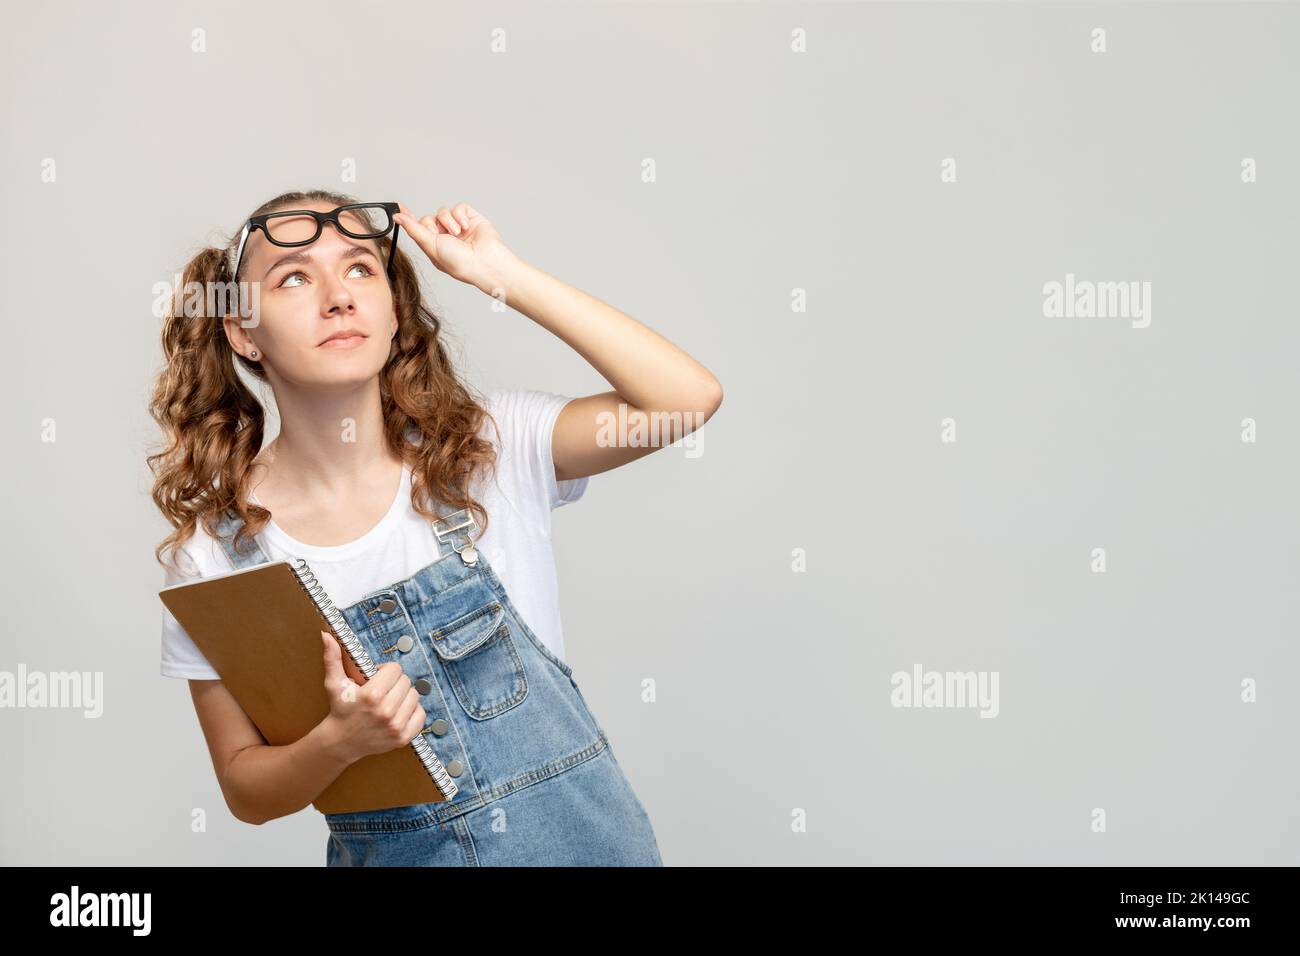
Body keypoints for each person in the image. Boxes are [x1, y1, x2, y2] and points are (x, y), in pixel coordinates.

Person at [147, 189, 722, 865]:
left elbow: (686, 400)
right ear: (244, 332)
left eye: (361, 268)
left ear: (394, 313)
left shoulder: (492, 450)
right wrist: (336, 743)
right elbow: (246, 787)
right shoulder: (215, 551)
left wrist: (502, 276)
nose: (339, 296)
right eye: (295, 277)